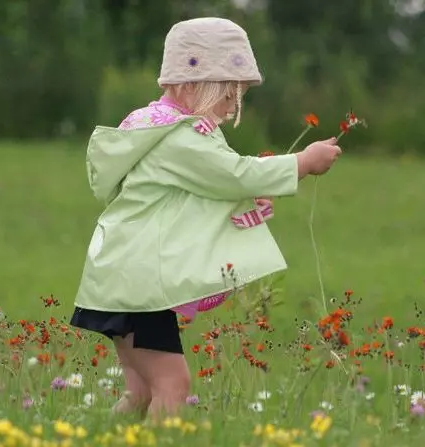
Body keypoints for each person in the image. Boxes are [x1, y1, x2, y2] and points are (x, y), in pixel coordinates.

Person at [70, 17, 341, 419]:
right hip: (141, 284)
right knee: (172, 385)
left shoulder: (152, 125)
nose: (233, 106)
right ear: (192, 85)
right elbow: (232, 176)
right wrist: (301, 162)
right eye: (228, 94)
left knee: (143, 390)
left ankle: (95, 438)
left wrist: (257, 179)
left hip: (121, 275)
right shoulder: (180, 136)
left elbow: (212, 182)